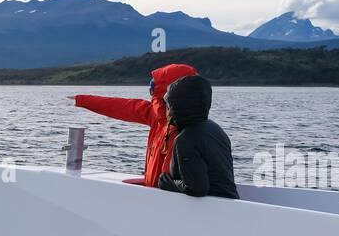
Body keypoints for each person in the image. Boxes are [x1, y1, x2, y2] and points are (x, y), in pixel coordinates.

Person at [69, 63, 198, 188]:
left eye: (154, 86)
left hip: (165, 200)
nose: (151, 90)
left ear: (167, 91)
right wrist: (82, 100)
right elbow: (120, 106)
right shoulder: (156, 115)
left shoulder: (183, 129)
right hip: (156, 195)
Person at [156, 74, 237, 199]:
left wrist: (169, 183)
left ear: (176, 108)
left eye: (168, 105)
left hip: (213, 210)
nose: (166, 110)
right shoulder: (215, 129)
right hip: (229, 204)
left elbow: (197, 189)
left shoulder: (186, 139)